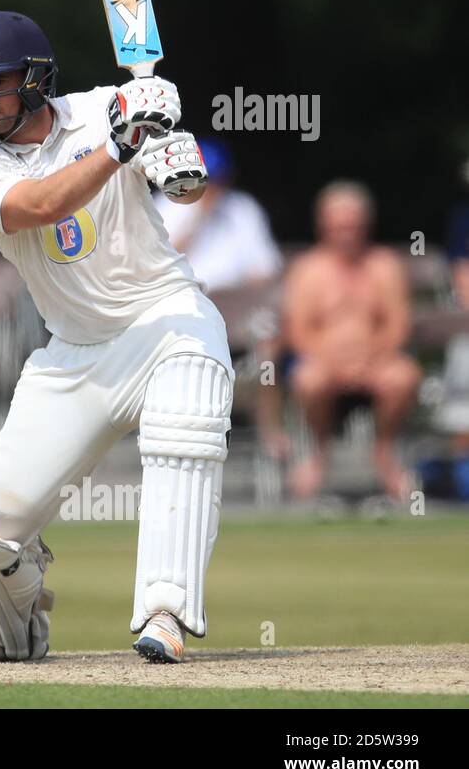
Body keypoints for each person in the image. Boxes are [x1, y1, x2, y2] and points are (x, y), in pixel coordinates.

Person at [0, 10, 231, 665]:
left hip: (165, 319)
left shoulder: (104, 109)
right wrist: (123, 143)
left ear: (36, 79)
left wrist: (166, 140)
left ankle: (166, 612)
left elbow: (183, 190)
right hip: (75, 355)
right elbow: (42, 205)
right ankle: (16, 628)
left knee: (185, 430)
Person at [281, 181, 419, 501]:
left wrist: (369, 360)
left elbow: (398, 324)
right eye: (338, 226)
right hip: (325, 365)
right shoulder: (308, 270)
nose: (346, 233)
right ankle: (319, 455)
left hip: (376, 363)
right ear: (323, 226)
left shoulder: (385, 265)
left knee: (404, 376)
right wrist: (334, 364)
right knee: (308, 379)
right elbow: (298, 330)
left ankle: (384, 455)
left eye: (353, 226)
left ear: (365, 226)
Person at [152, 138, 281, 295]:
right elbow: (157, 266)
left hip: (235, 300)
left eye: (216, 179)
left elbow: (266, 268)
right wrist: (198, 218)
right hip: (182, 298)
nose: (210, 188)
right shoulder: (165, 205)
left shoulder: (243, 208)